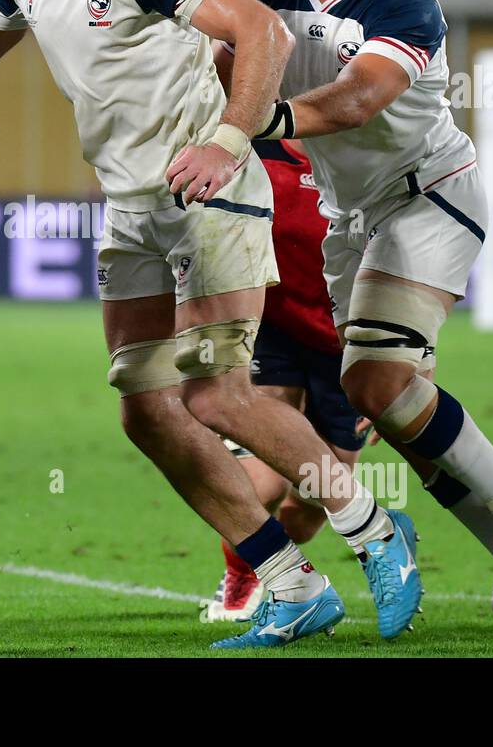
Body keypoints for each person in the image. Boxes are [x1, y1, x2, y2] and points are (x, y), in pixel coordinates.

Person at [0, 0, 424, 650]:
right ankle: (289, 583)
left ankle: (375, 529)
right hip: (132, 208)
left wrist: (230, 141)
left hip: (211, 190)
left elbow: (259, 29)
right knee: (147, 408)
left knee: (215, 392)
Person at [218, 0, 493, 645]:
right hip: (351, 220)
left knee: (377, 380)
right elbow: (221, 70)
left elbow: (357, 98)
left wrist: (260, 122)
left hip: (429, 198)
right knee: (408, 422)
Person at [200, 139, 366, 624]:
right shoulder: (255, 145)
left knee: (318, 495)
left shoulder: (365, 152)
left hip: (347, 339)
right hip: (272, 326)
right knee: (262, 480)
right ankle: (249, 574)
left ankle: (279, 560)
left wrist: (396, 365)